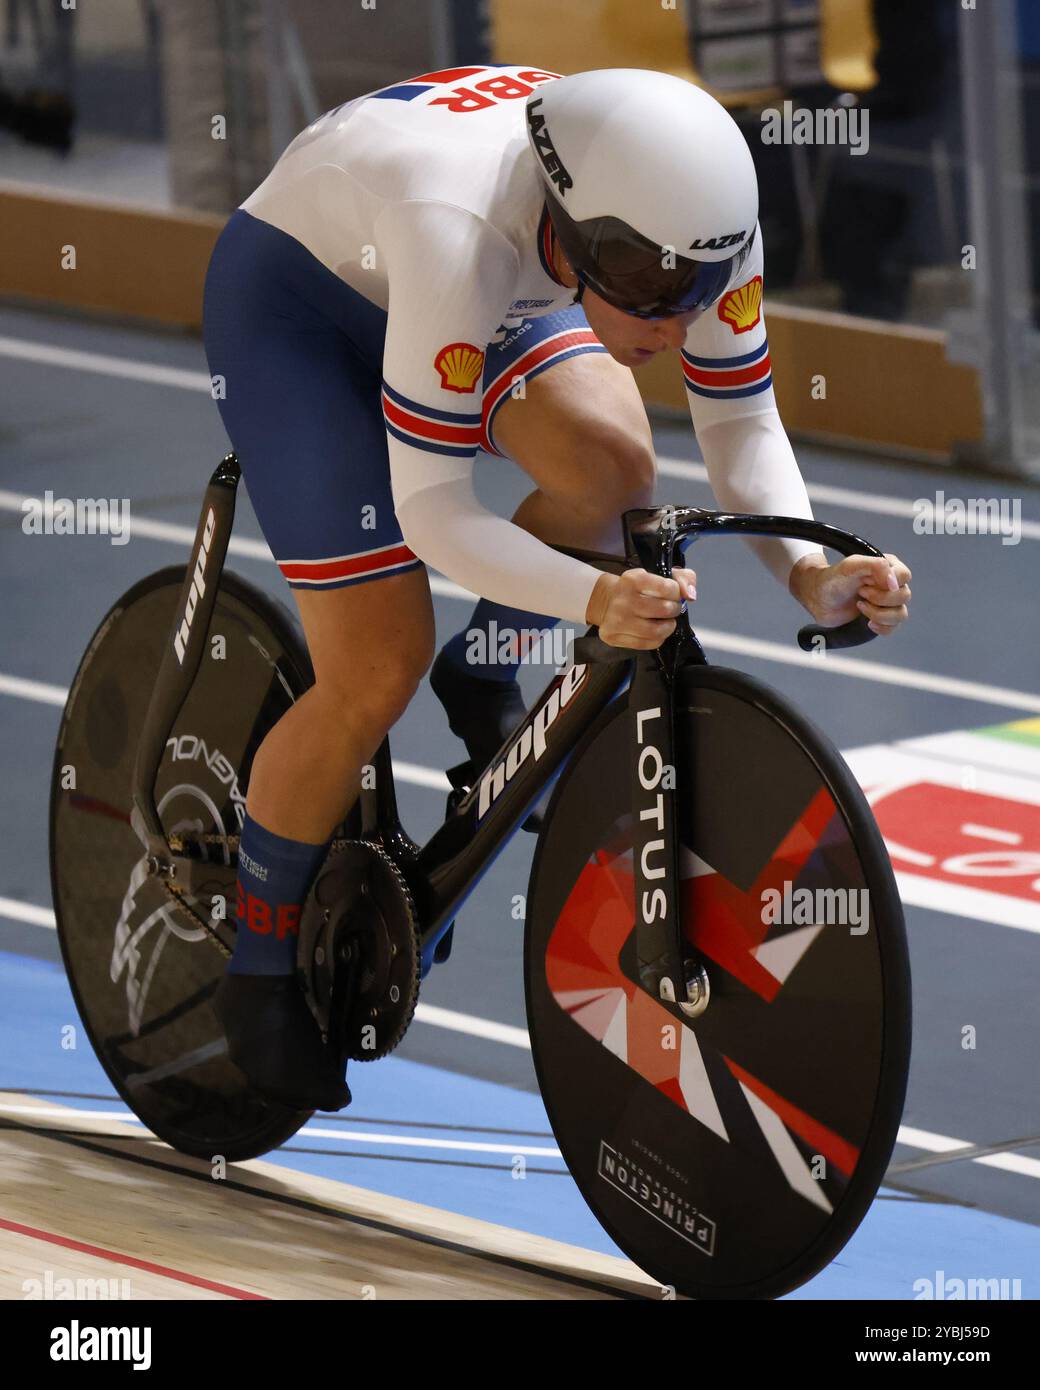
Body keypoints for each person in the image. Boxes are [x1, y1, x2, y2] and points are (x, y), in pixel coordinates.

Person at [202, 65, 911, 1112]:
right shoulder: (464, 231)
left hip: (467, 284)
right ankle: (255, 973)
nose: (671, 319)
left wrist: (807, 570)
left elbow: (738, 422)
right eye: (638, 283)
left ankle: (486, 668)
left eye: (693, 290)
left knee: (613, 467)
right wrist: (587, 603)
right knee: (373, 665)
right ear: (573, 228)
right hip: (304, 305)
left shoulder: (699, 231)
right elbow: (432, 511)